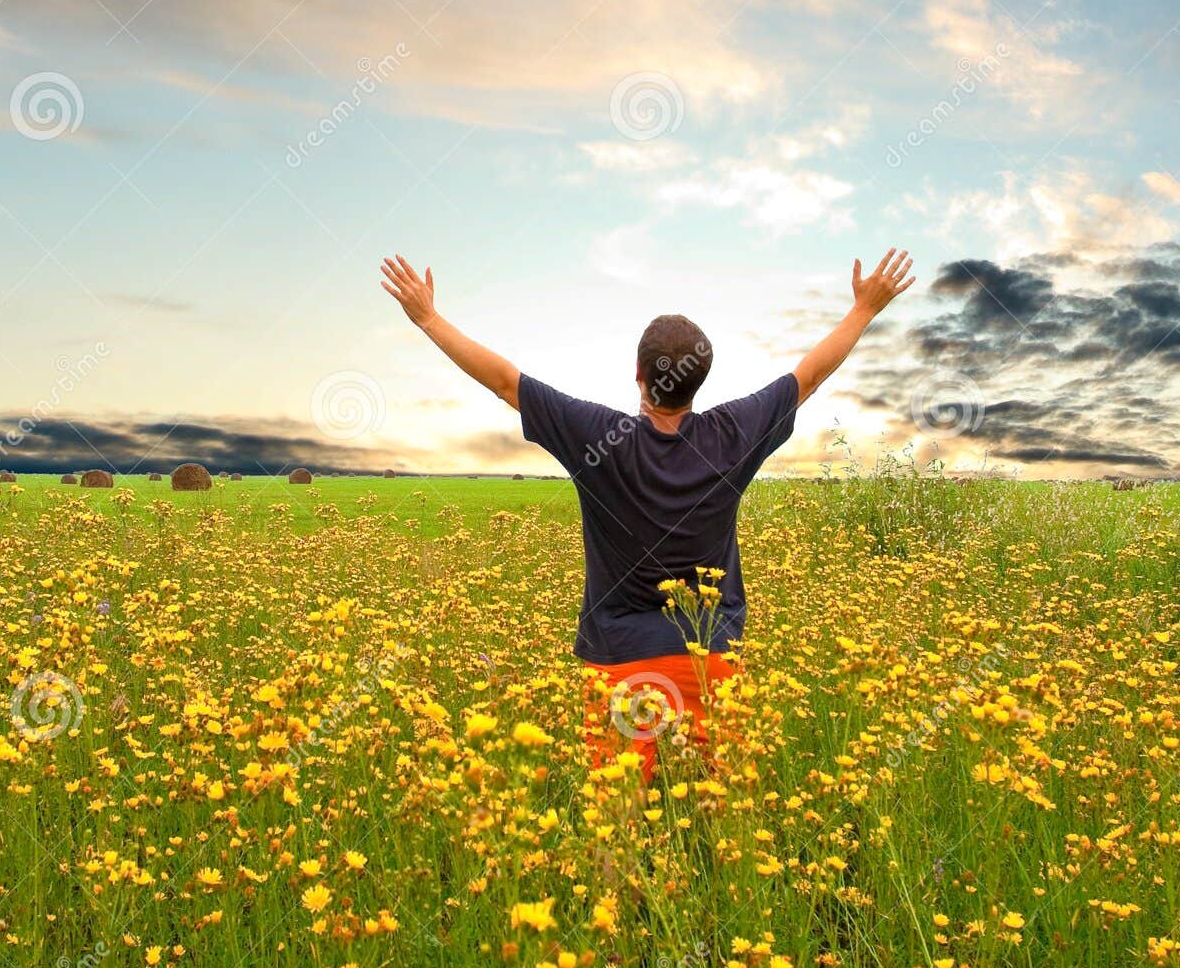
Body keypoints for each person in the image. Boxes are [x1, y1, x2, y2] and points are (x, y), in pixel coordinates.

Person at [378, 248, 915, 776]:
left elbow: (503, 379)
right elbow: (810, 376)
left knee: (620, 824)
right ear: (700, 379)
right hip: (711, 657)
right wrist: (864, 309)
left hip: (621, 659)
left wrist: (427, 317)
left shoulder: (598, 438)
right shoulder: (735, 434)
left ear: (637, 372)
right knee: (723, 819)